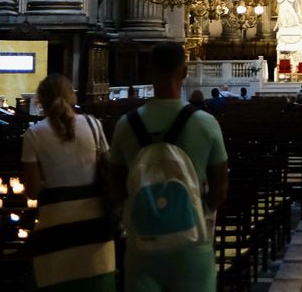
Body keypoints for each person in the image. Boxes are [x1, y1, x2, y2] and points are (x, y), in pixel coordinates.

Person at [108, 42, 229, 292]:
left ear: (149, 71)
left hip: (142, 242)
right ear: (184, 71)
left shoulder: (125, 125)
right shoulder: (206, 124)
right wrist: (202, 211)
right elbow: (220, 184)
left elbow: (115, 186)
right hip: (192, 243)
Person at [21, 74, 115, 292]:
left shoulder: (33, 135)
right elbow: (110, 171)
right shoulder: (93, 125)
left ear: (40, 101)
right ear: (72, 95)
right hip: (95, 227)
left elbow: (33, 191)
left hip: (54, 228)